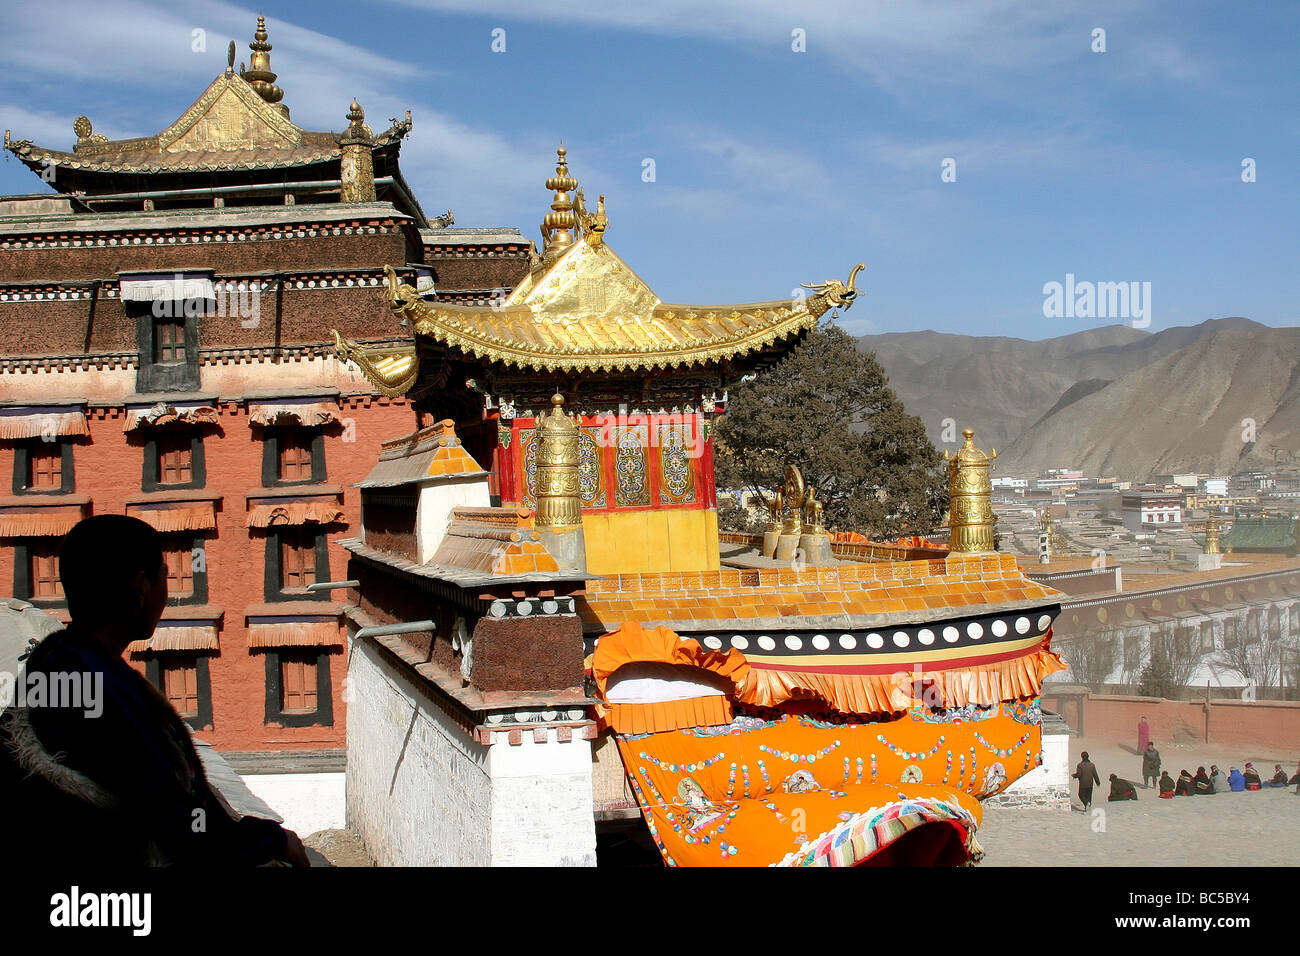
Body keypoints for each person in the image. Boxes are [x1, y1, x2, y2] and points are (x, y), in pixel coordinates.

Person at [0, 515, 308, 866]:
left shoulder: (54, 660)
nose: (168, 588)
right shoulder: (107, 696)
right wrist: (272, 839)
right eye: (164, 575)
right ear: (141, 587)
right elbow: (181, 825)